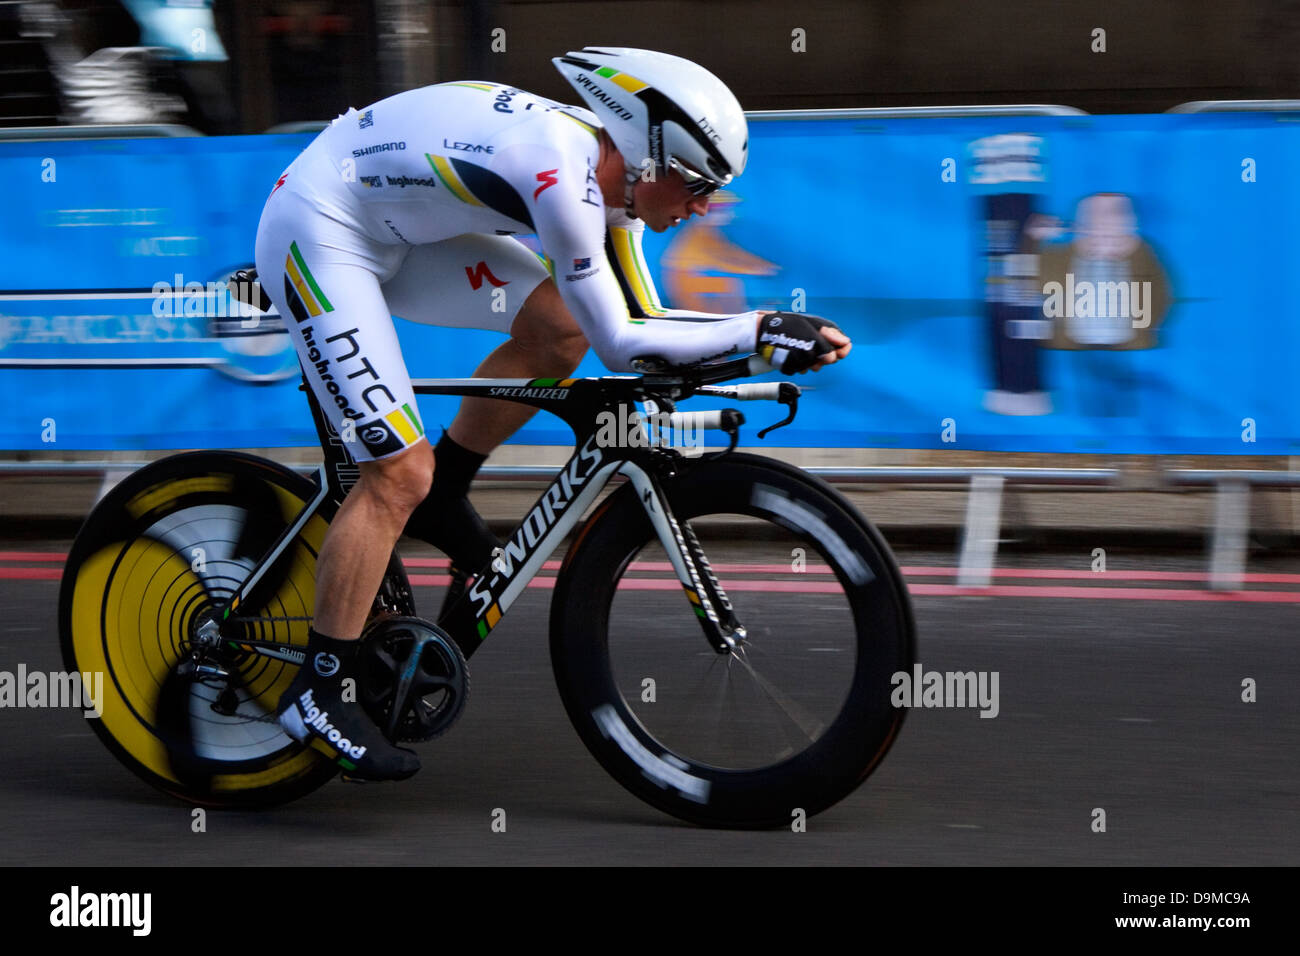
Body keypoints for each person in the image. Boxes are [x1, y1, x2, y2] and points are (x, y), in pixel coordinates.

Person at [255, 47, 852, 781]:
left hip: (398, 233)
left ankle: (447, 488)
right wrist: (760, 329)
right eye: (698, 184)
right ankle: (317, 691)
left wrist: (766, 337)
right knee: (396, 474)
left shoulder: (618, 190)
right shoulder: (561, 177)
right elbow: (625, 344)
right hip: (320, 228)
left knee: (559, 330)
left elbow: (639, 320)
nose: (703, 207)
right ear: (649, 156)